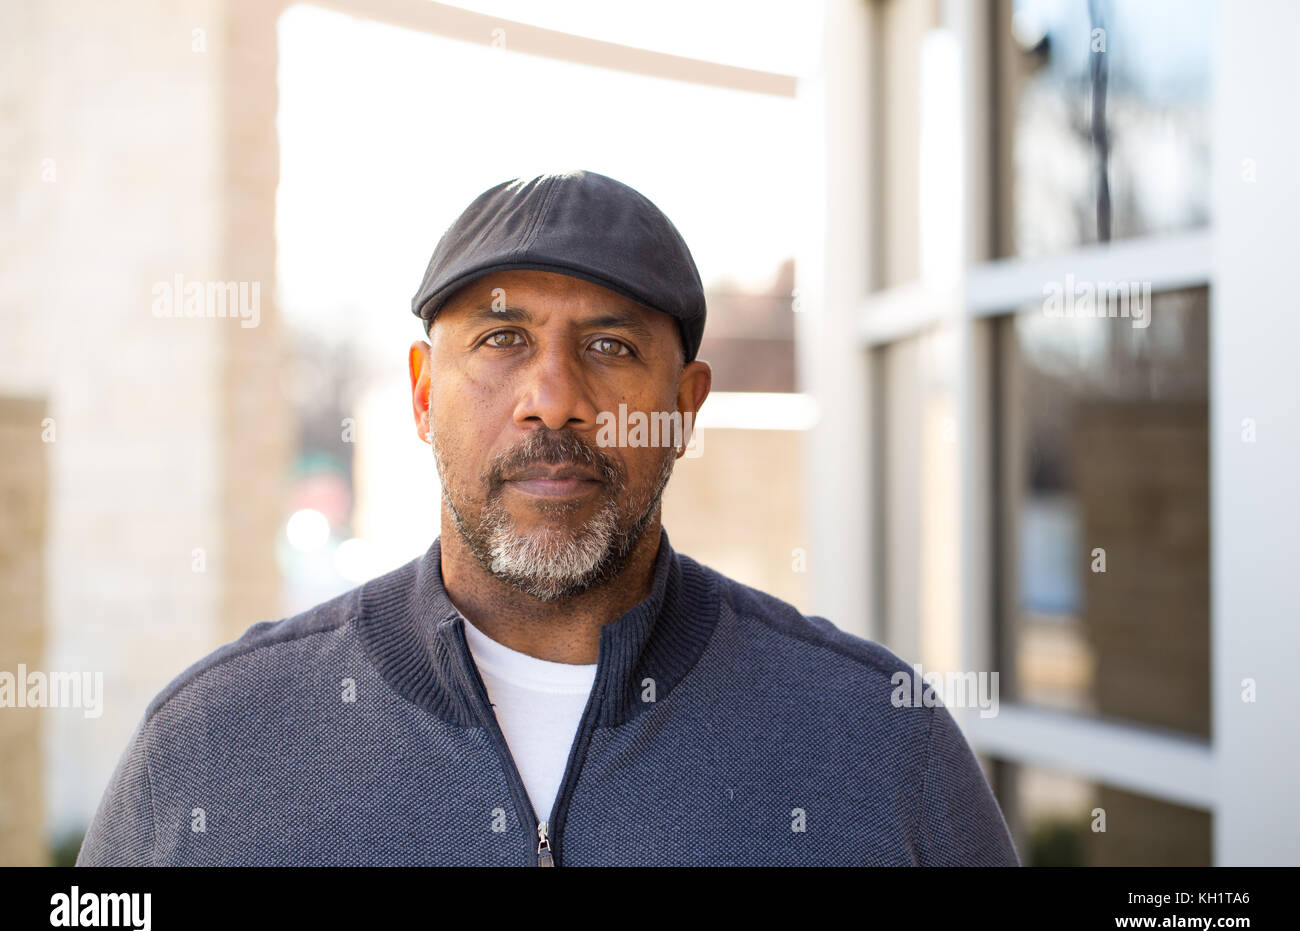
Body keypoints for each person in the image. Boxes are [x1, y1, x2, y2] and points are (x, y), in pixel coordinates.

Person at [77, 170, 1019, 866]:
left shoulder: (880, 749)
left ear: (685, 406)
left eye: (609, 345)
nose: (554, 399)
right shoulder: (211, 748)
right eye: (501, 340)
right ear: (419, 395)